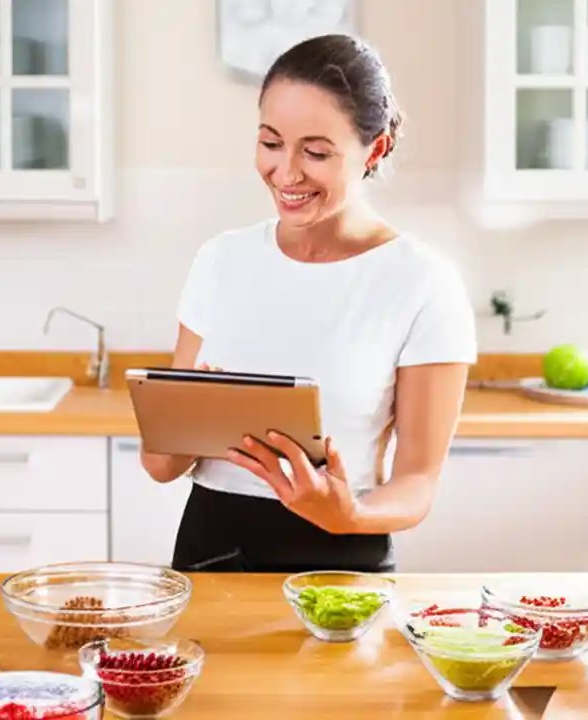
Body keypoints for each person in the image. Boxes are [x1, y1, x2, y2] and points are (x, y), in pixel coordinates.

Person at [141, 34, 475, 573]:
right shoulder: (220, 260)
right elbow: (161, 464)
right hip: (210, 552)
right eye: (271, 143)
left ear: (375, 150)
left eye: (316, 153)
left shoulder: (423, 282)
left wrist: (351, 514)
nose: (288, 173)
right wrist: (190, 414)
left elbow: (418, 481)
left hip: (342, 559)